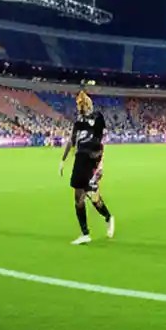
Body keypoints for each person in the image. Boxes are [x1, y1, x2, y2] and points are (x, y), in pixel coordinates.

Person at [58, 90, 114, 245]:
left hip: (92, 161)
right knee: (79, 197)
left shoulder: (97, 119)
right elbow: (71, 141)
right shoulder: (78, 122)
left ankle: (109, 217)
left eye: (83, 104)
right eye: (79, 105)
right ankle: (85, 233)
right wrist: (63, 160)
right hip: (80, 161)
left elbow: (101, 144)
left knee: (93, 198)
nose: (81, 107)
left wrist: (100, 165)